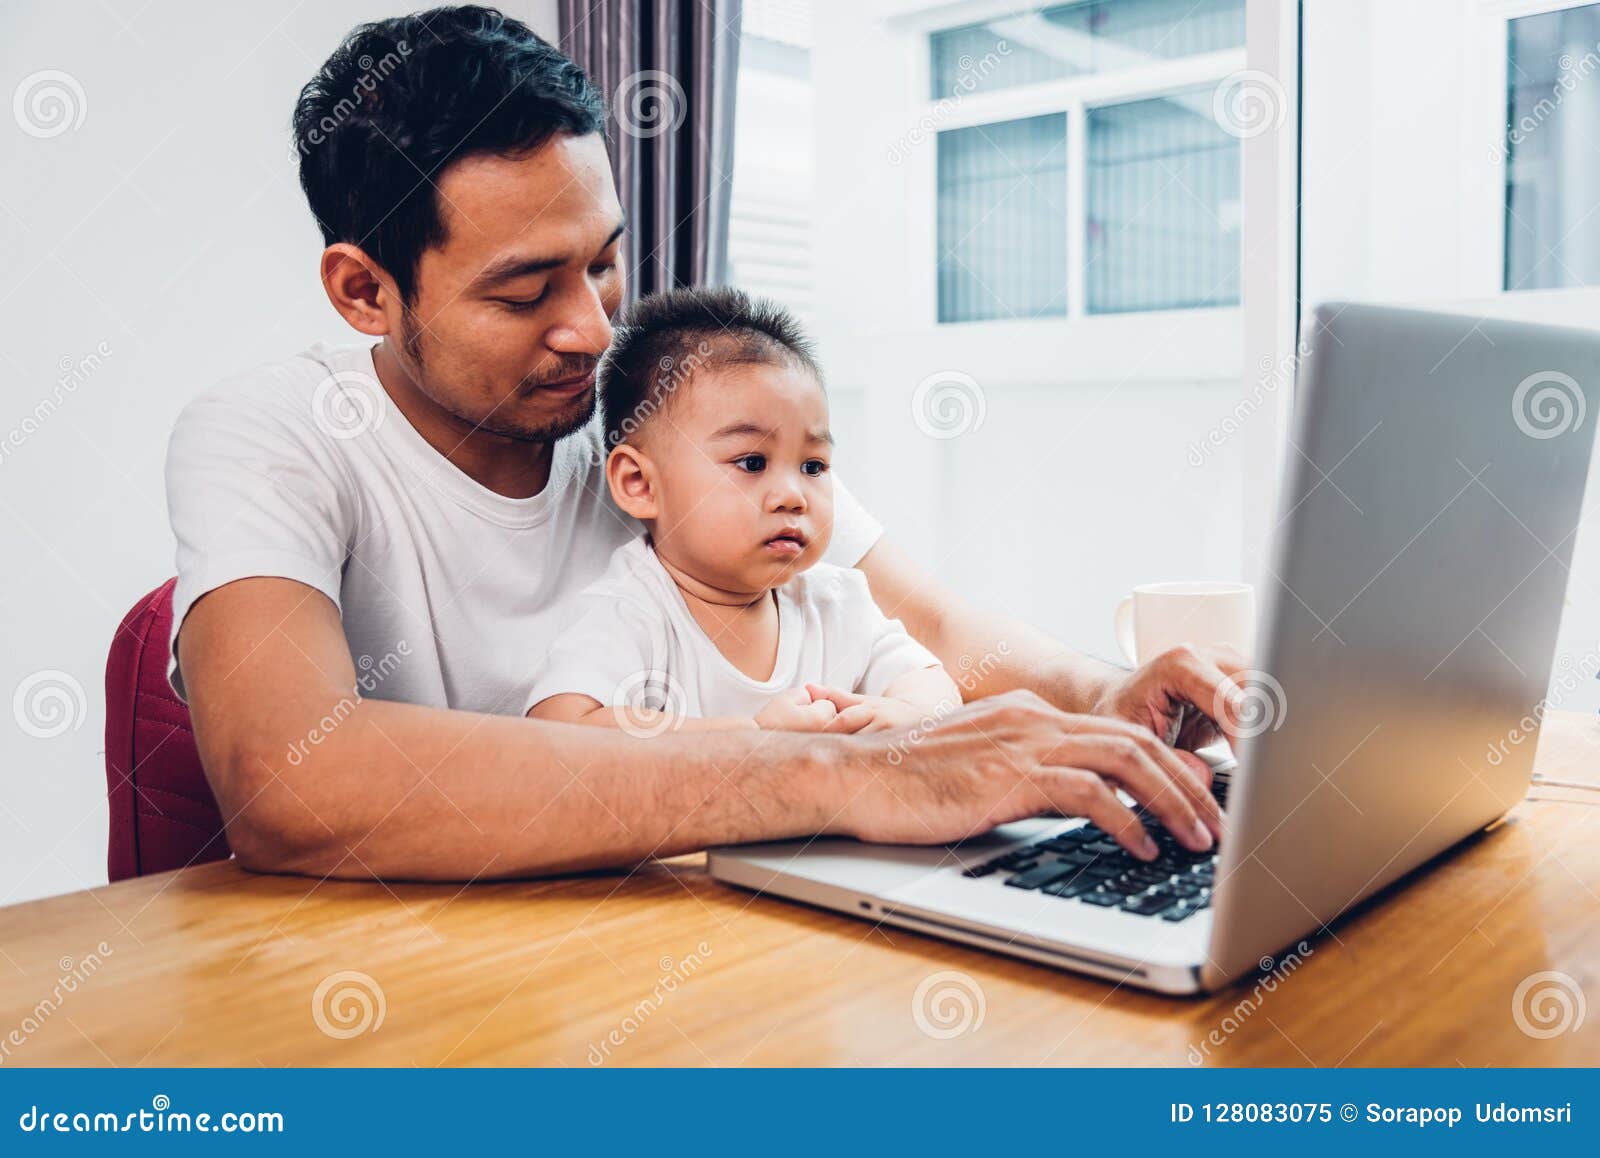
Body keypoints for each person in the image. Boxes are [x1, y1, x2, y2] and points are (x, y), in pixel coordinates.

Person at [168, 6, 1238, 883]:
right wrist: (846, 773)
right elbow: (288, 782)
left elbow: (934, 625)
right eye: (525, 290)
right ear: (365, 290)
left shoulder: (668, 414)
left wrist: (1102, 699)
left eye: (601, 263)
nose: (591, 328)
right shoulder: (271, 436)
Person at [525, 287, 961, 736]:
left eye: (814, 466)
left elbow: (933, 682)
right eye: (752, 463)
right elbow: (557, 727)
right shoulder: (630, 612)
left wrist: (909, 712)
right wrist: (750, 738)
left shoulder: (837, 602)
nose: (792, 496)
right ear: (640, 484)